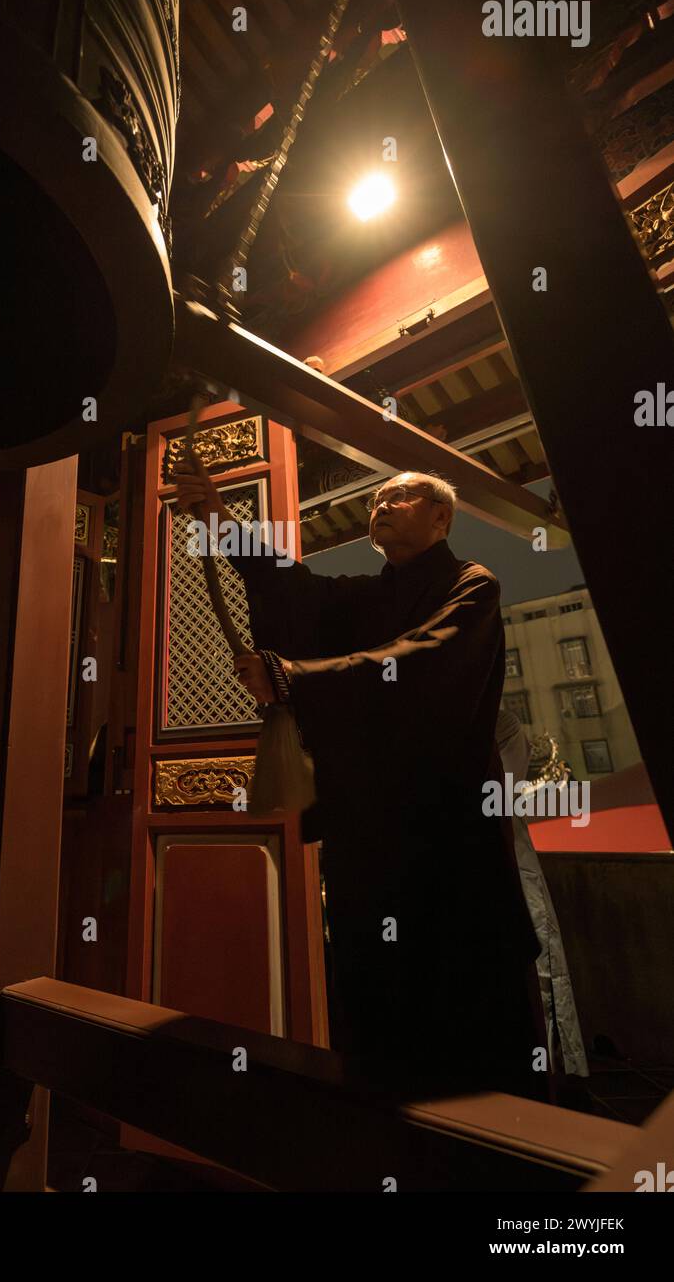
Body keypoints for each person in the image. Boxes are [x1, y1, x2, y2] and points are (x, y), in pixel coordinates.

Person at [176, 457, 547, 1101]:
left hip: (448, 834)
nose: (381, 504)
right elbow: (290, 587)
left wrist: (298, 676)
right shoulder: (364, 595)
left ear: (441, 517)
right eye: (376, 498)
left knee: (469, 1004)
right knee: (375, 1005)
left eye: (401, 496)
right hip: (369, 831)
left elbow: (424, 660)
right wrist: (218, 520)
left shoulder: (471, 584)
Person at [496, 707, 589, 1081]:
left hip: (511, 864)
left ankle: (550, 1071)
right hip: (507, 864)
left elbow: (499, 796)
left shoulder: (501, 725)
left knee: (538, 973)